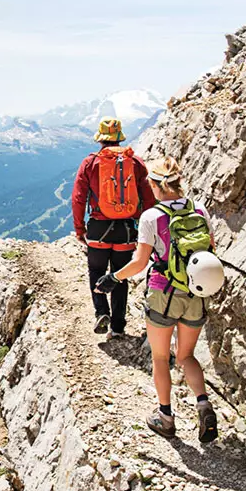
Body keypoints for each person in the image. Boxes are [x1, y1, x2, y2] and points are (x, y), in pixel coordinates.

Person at [93, 156, 220, 443]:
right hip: (196, 293)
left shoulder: (151, 217)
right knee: (187, 356)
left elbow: (139, 262)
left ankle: (165, 418)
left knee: (161, 357)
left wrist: (114, 277)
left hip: (163, 293)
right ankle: (203, 404)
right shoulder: (199, 209)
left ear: (154, 185)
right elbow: (210, 249)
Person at [71, 117, 156, 339]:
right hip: (126, 230)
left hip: (99, 228)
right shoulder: (135, 163)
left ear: (100, 140)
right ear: (120, 137)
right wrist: (144, 228)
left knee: (96, 271)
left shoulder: (90, 163)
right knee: (119, 276)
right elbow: (149, 199)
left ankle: (101, 312)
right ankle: (118, 327)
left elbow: (79, 198)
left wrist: (80, 229)